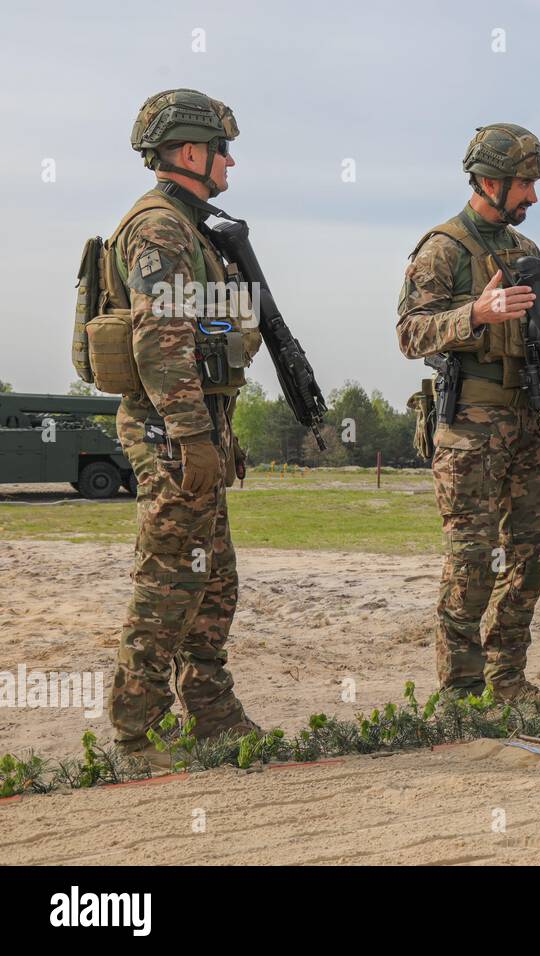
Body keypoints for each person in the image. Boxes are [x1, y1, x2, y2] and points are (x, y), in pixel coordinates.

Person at [103, 89, 262, 768]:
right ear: (191, 151)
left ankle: (211, 710)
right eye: (223, 148)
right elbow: (160, 339)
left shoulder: (192, 227)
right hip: (170, 433)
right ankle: (134, 733)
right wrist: (193, 436)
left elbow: (204, 341)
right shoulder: (162, 226)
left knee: (213, 579)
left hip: (193, 428)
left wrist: (219, 436)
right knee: (170, 581)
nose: (230, 162)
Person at [396, 124, 540, 705]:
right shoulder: (441, 248)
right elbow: (410, 334)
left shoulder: (527, 254)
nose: (532, 198)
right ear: (489, 181)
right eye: (524, 185)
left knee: (530, 557)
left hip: (528, 426)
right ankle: (460, 692)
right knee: (472, 562)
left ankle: (507, 678)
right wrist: (477, 313)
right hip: (469, 427)